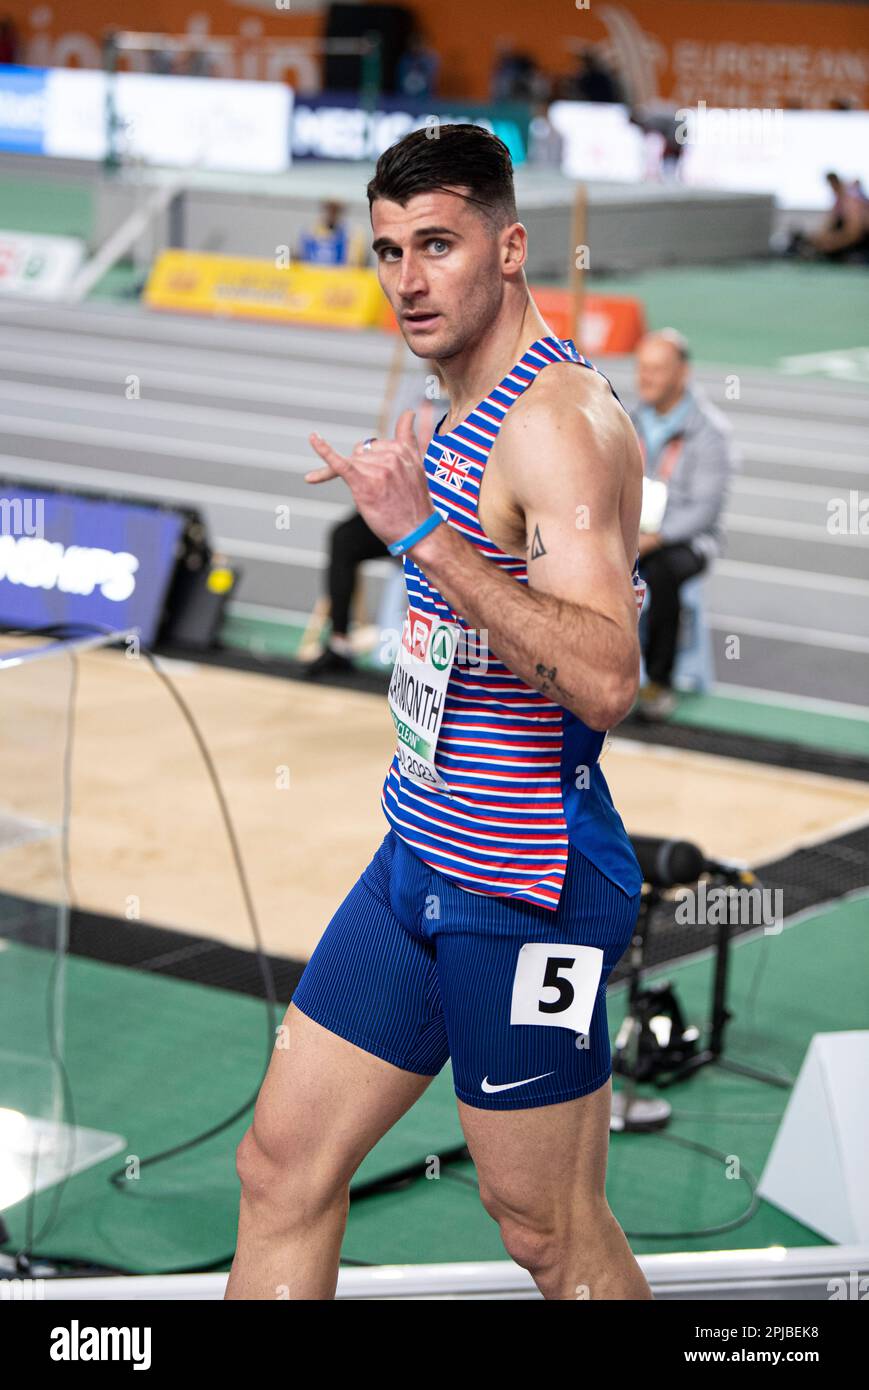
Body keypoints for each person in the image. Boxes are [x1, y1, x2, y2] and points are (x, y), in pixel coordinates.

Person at [226, 124, 651, 1302]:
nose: (406, 280)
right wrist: (415, 514)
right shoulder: (455, 408)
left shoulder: (557, 422)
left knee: (546, 1232)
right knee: (280, 1168)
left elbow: (608, 678)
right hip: (419, 851)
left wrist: (420, 535)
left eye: (437, 245)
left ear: (508, 249)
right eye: (385, 250)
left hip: (525, 890)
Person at [300, 372, 441, 680]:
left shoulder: (469, 392)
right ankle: (339, 644)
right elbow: (389, 440)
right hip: (402, 508)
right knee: (343, 538)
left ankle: (443, 657)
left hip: (446, 517)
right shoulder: (413, 386)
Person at [630, 329, 735, 720]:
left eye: (657, 370)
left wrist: (652, 539)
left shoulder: (710, 432)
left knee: (660, 572)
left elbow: (704, 512)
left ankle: (658, 683)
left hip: (687, 541)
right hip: (634, 533)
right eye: (642, 369)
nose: (646, 379)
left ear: (682, 374)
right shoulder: (631, 418)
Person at [297, 200, 367, 268]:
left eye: (335, 210)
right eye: (329, 209)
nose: (332, 214)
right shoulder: (309, 234)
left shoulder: (350, 236)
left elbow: (354, 265)